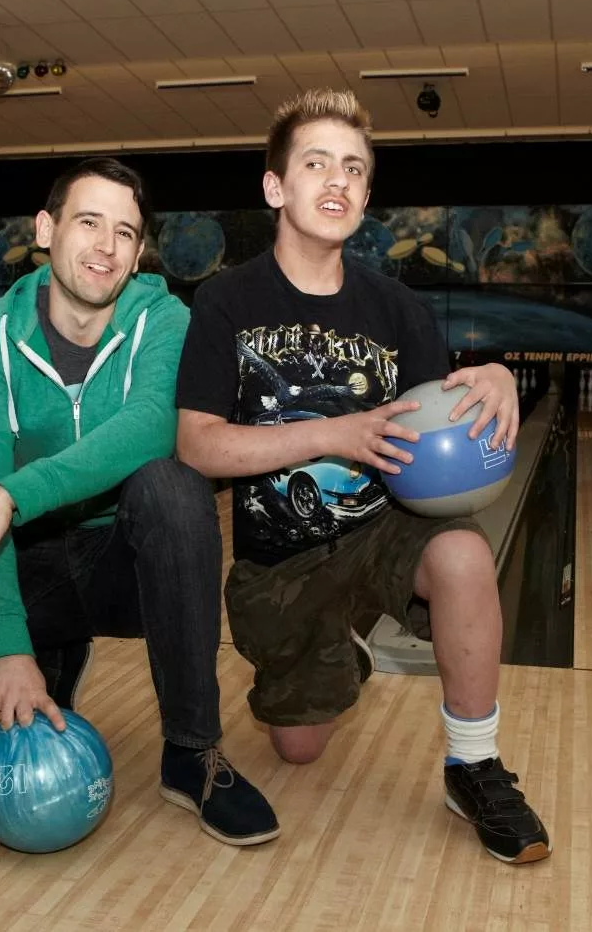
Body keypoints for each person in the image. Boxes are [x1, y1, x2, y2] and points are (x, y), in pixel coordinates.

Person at [173, 90, 551, 864]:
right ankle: (345, 652)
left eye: (353, 168)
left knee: (463, 554)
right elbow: (198, 448)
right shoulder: (225, 304)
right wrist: (331, 433)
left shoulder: (401, 310)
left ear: (367, 195)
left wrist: (497, 383)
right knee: (299, 748)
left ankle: (472, 765)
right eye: (316, 164)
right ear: (277, 187)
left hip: (382, 529)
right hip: (281, 564)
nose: (337, 181)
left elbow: (438, 441)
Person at [0, 157, 278, 848]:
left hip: (131, 560)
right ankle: (51, 657)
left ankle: (193, 752)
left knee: (173, 485)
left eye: (125, 232)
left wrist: (16, 491)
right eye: (89, 222)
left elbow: (155, 425)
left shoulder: (164, 320)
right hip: (34, 558)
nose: (106, 244)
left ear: (138, 253)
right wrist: (8, 647)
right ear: (46, 228)